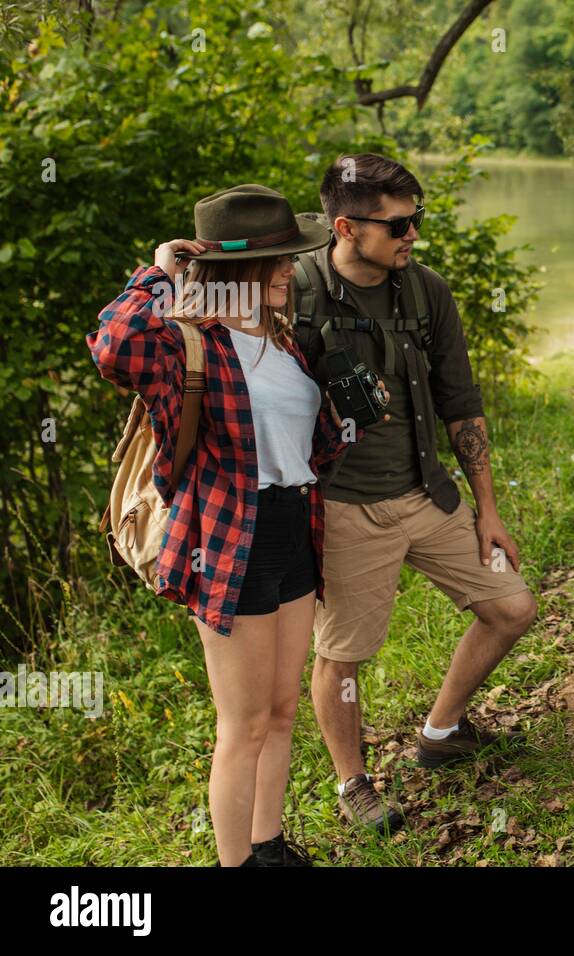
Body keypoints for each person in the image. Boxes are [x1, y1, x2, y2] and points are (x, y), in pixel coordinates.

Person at [88, 184, 387, 866]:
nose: (291, 270)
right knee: (243, 725)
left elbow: (307, 451)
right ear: (233, 272)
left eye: (291, 257)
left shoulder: (284, 341)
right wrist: (160, 272)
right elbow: (114, 347)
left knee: (280, 712)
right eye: (277, 261)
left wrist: (352, 415)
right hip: (228, 540)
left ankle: (268, 846)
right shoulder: (186, 344)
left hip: (293, 531)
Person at [290, 154, 537, 834]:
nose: (413, 236)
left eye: (417, 219)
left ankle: (441, 733)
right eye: (399, 224)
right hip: (343, 507)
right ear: (345, 226)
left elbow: (463, 404)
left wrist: (487, 510)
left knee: (511, 607)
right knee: (342, 656)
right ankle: (352, 784)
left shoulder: (426, 292)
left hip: (428, 495)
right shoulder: (295, 290)